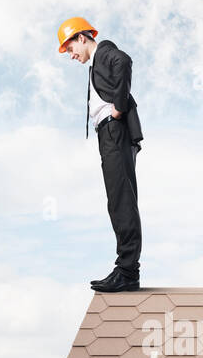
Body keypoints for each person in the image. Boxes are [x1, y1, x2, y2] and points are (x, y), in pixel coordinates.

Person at [57, 17, 143, 292]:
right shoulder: (96, 64)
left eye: (70, 48)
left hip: (115, 130)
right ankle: (126, 269)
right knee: (117, 200)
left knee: (121, 200)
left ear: (82, 38)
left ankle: (127, 271)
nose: (71, 55)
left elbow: (124, 61)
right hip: (109, 134)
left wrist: (118, 107)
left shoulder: (104, 52)